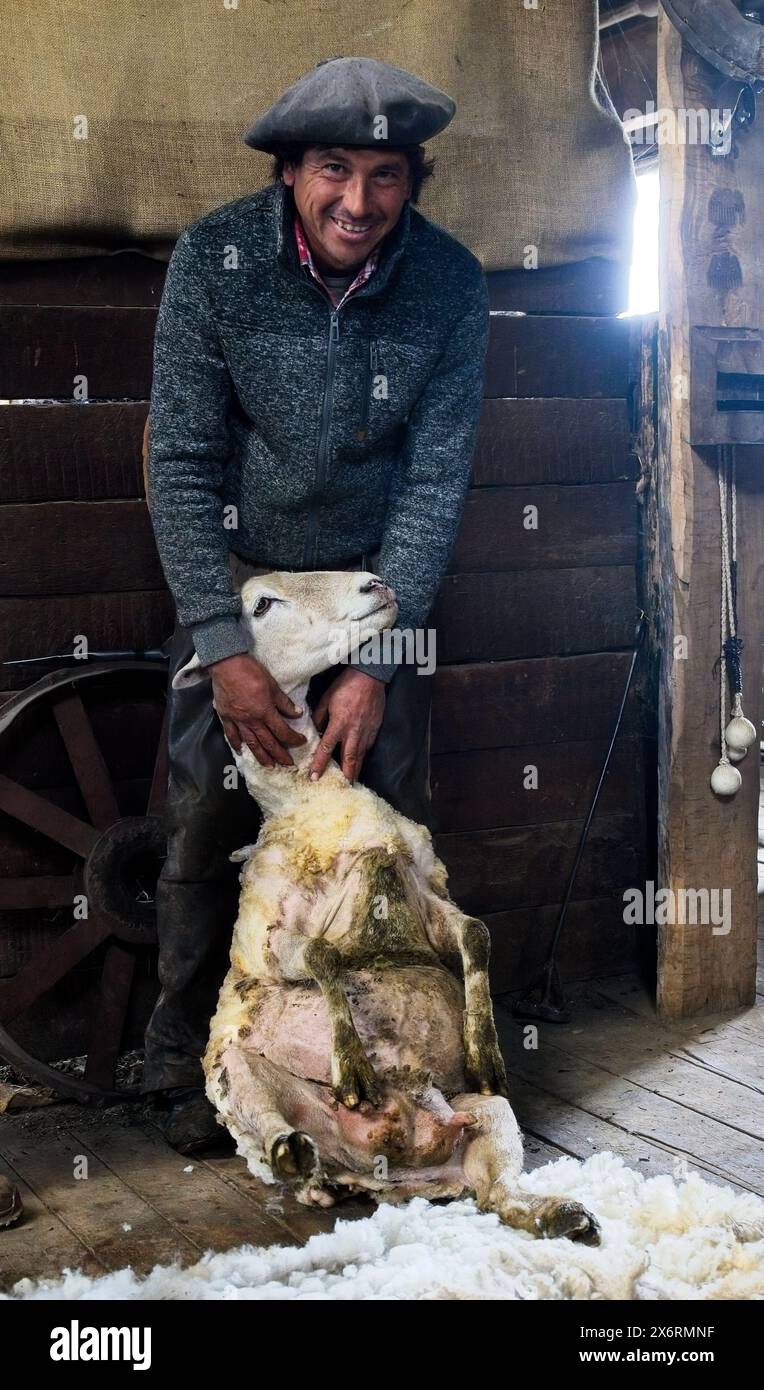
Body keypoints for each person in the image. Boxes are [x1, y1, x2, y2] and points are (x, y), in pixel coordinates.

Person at [143, 56, 490, 1152]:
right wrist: (219, 643)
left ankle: (376, 1077)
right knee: (204, 825)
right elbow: (181, 460)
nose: (357, 202)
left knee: (378, 837)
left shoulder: (448, 283)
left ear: (413, 179)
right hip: (242, 588)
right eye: (332, 170)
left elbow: (434, 482)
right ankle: (186, 1064)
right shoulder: (216, 262)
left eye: (385, 175)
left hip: (372, 592)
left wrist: (373, 662)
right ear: (289, 170)